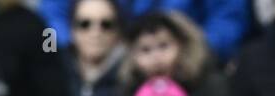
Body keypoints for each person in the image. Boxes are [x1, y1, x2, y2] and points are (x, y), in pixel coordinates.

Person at [40, 0, 250, 64]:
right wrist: (75, 48)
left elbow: (227, 21)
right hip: (97, 72)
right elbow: (49, 21)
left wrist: (189, 57)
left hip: (184, 77)